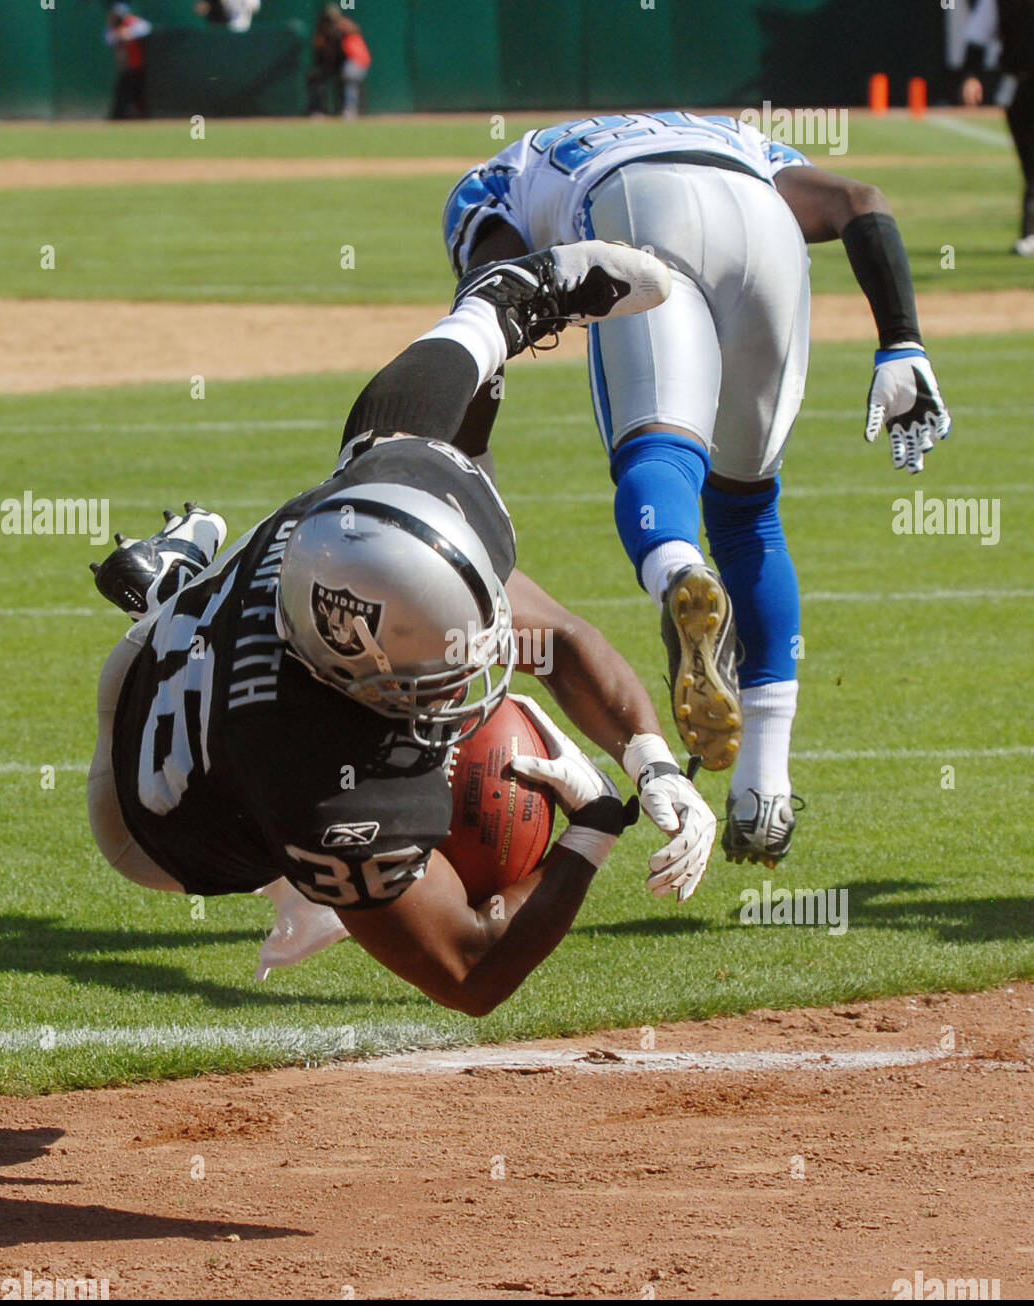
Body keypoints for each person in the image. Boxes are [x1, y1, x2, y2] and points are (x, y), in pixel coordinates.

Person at [87, 241, 717, 1015]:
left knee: (428, 685)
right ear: (351, 665)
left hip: (207, 654)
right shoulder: (321, 780)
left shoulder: (384, 512)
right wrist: (590, 828)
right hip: (155, 823)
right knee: (374, 843)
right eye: (438, 667)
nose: (482, 663)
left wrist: (651, 765)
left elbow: (561, 640)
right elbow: (468, 972)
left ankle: (176, 592)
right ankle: (171, 596)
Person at [442, 111, 952, 867]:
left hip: (631, 208)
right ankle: (762, 792)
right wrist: (900, 341)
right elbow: (860, 201)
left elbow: (490, 298)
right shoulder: (738, 137)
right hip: (761, 222)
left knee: (659, 448)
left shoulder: (500, 176)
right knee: (748, 509)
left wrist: (471, 456)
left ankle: (676, 570)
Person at [961, 0, 1034, 255]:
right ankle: (1030, 233)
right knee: (1030, 161)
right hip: (1020, 86)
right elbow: (977, 35)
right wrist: (971, 74)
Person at [105, 3, 152, 120]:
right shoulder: (113, 28)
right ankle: (117, 118)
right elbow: (109, 39)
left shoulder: (131, 22)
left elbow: (146, 28)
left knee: (138, 95)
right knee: (122, 94)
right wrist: (120, 35)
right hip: (125, 68)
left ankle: (142, 118)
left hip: (137, 67)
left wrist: (129, 33)